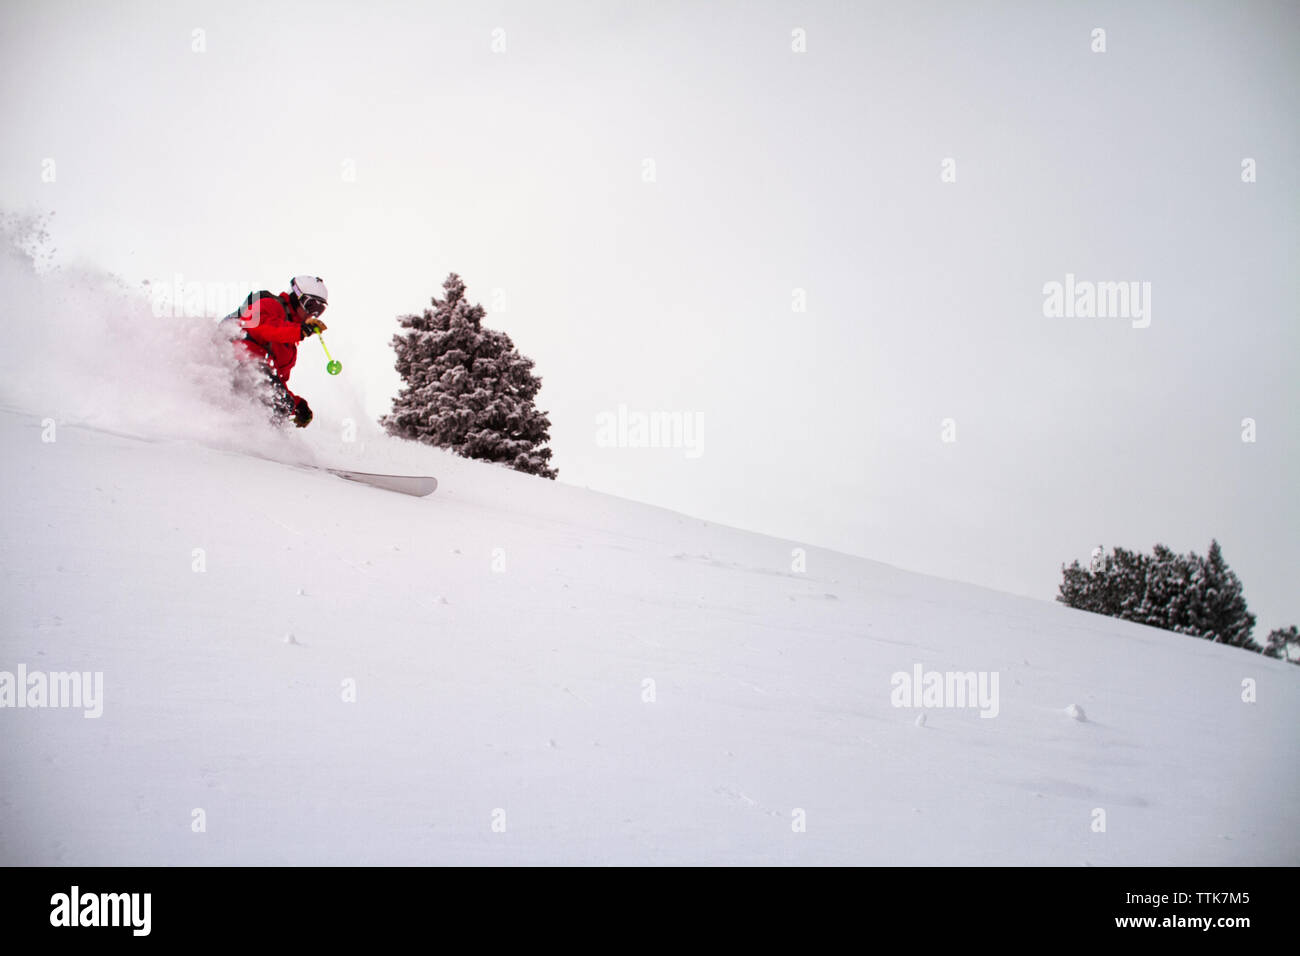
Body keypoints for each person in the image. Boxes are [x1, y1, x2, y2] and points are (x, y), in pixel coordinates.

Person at [223, 276, 328, 427]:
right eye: (310, 306)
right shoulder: (271, 304)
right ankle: (260, 438)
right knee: (278, 402)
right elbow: (259, 324)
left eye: (319, 311)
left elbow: (276, 380)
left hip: (253, 372)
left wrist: (297, 405)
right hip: (237, 357)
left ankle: (261, 441)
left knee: (281, 403)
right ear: (295, 296)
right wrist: (300, 330)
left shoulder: (289, 344)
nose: (312, 314)